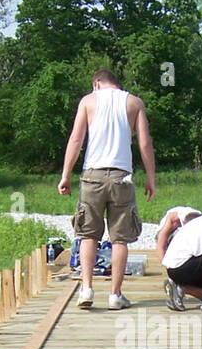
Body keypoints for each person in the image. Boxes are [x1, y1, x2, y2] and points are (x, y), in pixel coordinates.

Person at [57, 69, 155, 311]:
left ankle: (87, 288)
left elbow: (76, 139)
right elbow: (144, 143)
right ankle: (115, 295)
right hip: (122, 176)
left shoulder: (88, 101)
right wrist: (151, 178)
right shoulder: (134, 102)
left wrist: (65, 175)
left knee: (88, 235)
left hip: (92, 175)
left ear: (96, 83)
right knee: (120, 238)